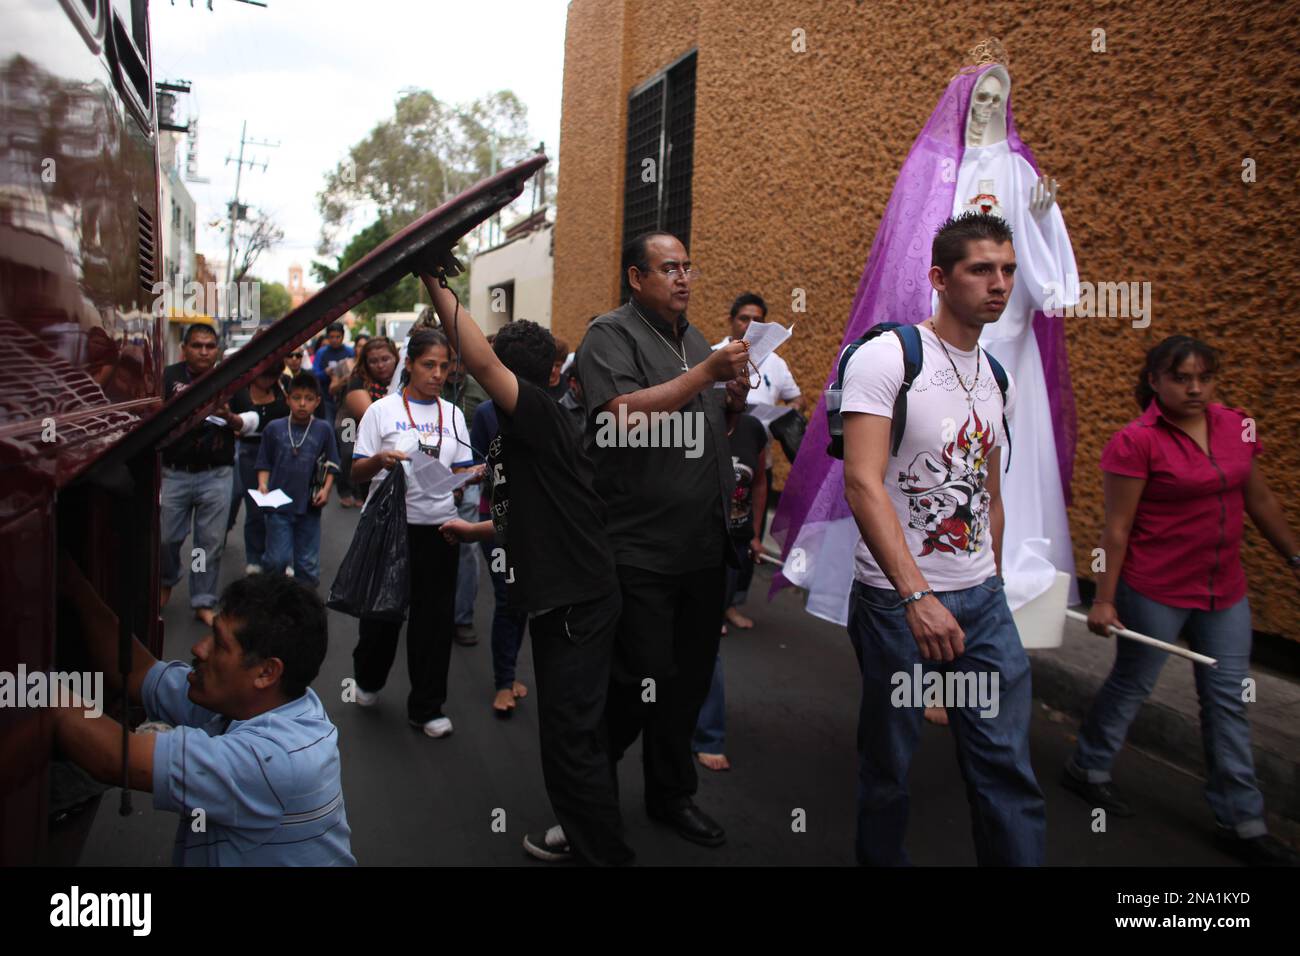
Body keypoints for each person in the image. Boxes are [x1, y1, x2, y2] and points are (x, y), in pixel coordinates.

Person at [840, 211, 1044, 866]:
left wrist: (996, 583)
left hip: (981, 601)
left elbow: (989, 489)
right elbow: (863, 484)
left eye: (1007, 269)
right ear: (939, 277)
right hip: (897, 606)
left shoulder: (995, 375)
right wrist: (916, 596)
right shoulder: (890, 357)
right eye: (981, 269)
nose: (999, 283)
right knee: (888, 765)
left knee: (1005, 767)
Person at [424, 269, 634, 867]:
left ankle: (603, 853)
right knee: (580, 734)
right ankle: (587, 828)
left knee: (571, 740)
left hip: (576, 606)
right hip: (571, 600)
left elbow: (484, 363)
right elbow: (526, 519)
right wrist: (474, 529)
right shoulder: (527, 436)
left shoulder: (536, 412)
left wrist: (432, 277)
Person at [1064, 336, 1300, 867]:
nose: (1194, 388)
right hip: (1155, 588)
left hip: (1224, 590)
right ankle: (1088, 767)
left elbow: (1258, 496)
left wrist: (1294, 557)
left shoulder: (1237, 425)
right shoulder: (1135, 441)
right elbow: (1117, 529)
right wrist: (1103, 600)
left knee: (1226, 700)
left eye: (1204, 377)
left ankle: (1242, 821)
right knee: (1133, 685)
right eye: (1180, 378)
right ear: (1155, 381)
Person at [574, 231, 749, 848]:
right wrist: (704, 373)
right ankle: (583, 797)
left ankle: (671, 796)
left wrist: (730, 398)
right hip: (640, 549)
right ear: (636, 277)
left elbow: (704, 425)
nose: (682, 278)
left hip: (703, 547)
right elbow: (621, 418)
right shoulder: (609, 335)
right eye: (668, 268)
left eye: (687, 267)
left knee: (686, 685)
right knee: (638, 681)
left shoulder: (697, 339)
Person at [53, 558, 355, 865]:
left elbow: (115, 758)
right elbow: (138, 671)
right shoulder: (266, 702)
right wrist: (77, 589)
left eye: (220, 645)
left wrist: (31, 680)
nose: (199, 649)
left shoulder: (270, 760)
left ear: (266, 672)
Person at [349, 328, 475, 738]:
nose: (438, 374)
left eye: (445, 366)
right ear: (410, 364)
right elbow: (356, 469)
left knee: (434, 623)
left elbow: (460, 469)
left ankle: (426, 707)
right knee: (381, 616)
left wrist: (472, 475)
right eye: (429, 365)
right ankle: (367, 680)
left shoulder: (453, 414)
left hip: (440, 529)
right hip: (390, 529)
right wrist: (381, 461)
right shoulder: (381, 411)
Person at [713, 292, 802, 631]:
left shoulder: (775, 363)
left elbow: (797, 398)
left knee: (750, 536)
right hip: (722, 457)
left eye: (757, 319)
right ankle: (713, 604)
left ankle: (734, 603)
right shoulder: (713, 355)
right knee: (720, 530)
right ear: (732, 321)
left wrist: (784, 416)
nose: (749, 325)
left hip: (757, 456)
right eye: (743, 318)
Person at [159, 323, 255, 626]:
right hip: (174, 473)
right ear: (184, 348)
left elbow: (250, 419)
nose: (204, 351)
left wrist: (231, 417)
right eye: (197, 345)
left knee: (208, 543)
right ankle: (167, 578)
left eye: (209, 346)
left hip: (216, 474)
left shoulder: (229, 378)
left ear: (217, 349)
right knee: (166, 538)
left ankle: (203, 600)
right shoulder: (168, 377)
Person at [693, 379, 767, 772]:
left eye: (745, 386)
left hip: (731, 548)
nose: (740, 391)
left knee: (706, 641)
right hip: (687, 549)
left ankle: (707, 733)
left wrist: (754, 531)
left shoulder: (754, 429)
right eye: (731, 386)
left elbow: (759, 482)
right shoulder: (691, 425)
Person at [469, 394, 530, 716]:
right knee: (507, 597)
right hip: (494, 517)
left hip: (534, 523)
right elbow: (475, 462)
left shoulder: (542, 406)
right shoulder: (485, 412)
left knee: (521, 599)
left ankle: (511, 673)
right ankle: (504, 681)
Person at [255, 373, 339, 587]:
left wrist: (326, 490)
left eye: (309, 398)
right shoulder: (274, 428)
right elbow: (264, 462)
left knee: (307, 563)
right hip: (278, 505)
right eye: (297, 397)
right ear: (288, 399)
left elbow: (332, 464)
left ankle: (303, 607)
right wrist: (263, 484)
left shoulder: (323, 429)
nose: (302, 403)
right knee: (277, 559)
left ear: (317, 401)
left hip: (309, 505)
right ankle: (272, 599)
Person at [227, 368, 289, 573]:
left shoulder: (285, 385)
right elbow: (227, 421)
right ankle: (254, 558)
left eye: (271, 374)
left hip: (281, 450)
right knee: (254, 508)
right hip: (247, 450)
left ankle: (283, 557)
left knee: (281, 506)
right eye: (263, 374)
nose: (267, 379)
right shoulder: (238, 389)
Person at [338, 336, 400, 507]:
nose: (380, 365)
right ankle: (346, 489)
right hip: (350, 422)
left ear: (396, 358)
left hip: (383, 430)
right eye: (373, 361)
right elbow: (368, 416)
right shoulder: (358, 381)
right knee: (348, 451)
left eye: (385, 359)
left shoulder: (402, 380)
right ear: (365, 363)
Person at [312, 322, 354, 422]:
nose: (334, 340)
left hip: (346, 399)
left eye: (337, 337)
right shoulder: (321, 353)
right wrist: (325, 373)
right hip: (327, 398)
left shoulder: (350, 352)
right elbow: (314, 374)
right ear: (327, 337)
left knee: (346, 431)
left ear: (343, 336)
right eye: (331, 337)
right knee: (328, 425)